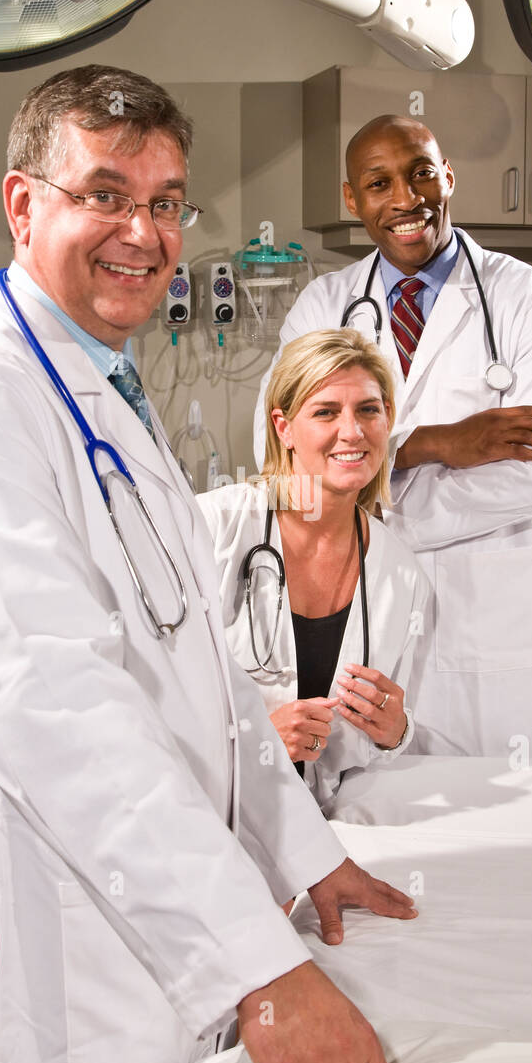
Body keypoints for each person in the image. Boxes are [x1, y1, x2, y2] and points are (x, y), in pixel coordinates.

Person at [0, 66, 418, 1063]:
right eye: (104, 193)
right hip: (35, 918)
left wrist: (304, 852)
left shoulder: (103, 386)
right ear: (23, 206)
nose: (143, 232)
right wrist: (263, 973)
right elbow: (51, 711)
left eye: (164, 202)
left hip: (145, 910)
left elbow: (197, 674)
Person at [254, 115, 532, 757]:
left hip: (489, 614)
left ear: (448, 178)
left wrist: (369, 500)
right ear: (353, 199)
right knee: (378, 825)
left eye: (421, 173)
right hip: (362, 611)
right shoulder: (326, 306)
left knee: (514, 826)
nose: (406, 199)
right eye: (379, 183)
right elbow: (283, 455)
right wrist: (432, 443)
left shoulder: (529, 300)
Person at [198, 329, 429, 807]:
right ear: (283, 427)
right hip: (209, 816)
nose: (353, 431)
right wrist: (247, 741)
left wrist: (396, 731)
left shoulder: (399, 572)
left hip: (328, 829)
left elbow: (381, 749)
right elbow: (139, 693)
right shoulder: (210, 528)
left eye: (369, 409)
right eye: (326, 412)